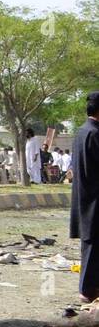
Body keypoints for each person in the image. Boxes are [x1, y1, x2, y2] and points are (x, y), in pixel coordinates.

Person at [68, 92, 99, 303]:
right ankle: (87, 290)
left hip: (84, 195)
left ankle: (91, 287)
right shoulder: (95, 134)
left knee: (91, 244)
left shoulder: (81, 132)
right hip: (94, 197)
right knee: (93, 244)